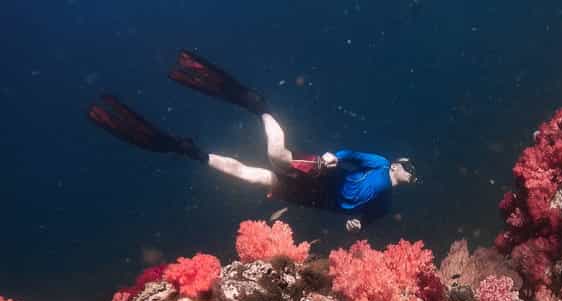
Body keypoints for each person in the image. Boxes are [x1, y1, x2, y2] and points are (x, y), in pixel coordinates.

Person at [88, 50, 418, 232]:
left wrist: (359, 221)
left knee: (253, 176)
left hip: (317, 200)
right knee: (278, 154)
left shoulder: (386, 204)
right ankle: (258, 106)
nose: (409, 173)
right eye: (409, 167)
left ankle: (192, 152)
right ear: (400, 163)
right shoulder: (379, 162)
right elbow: (352, 154)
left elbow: (371, 217)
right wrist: (335, 156)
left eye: (413, 175)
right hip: (324, 175)